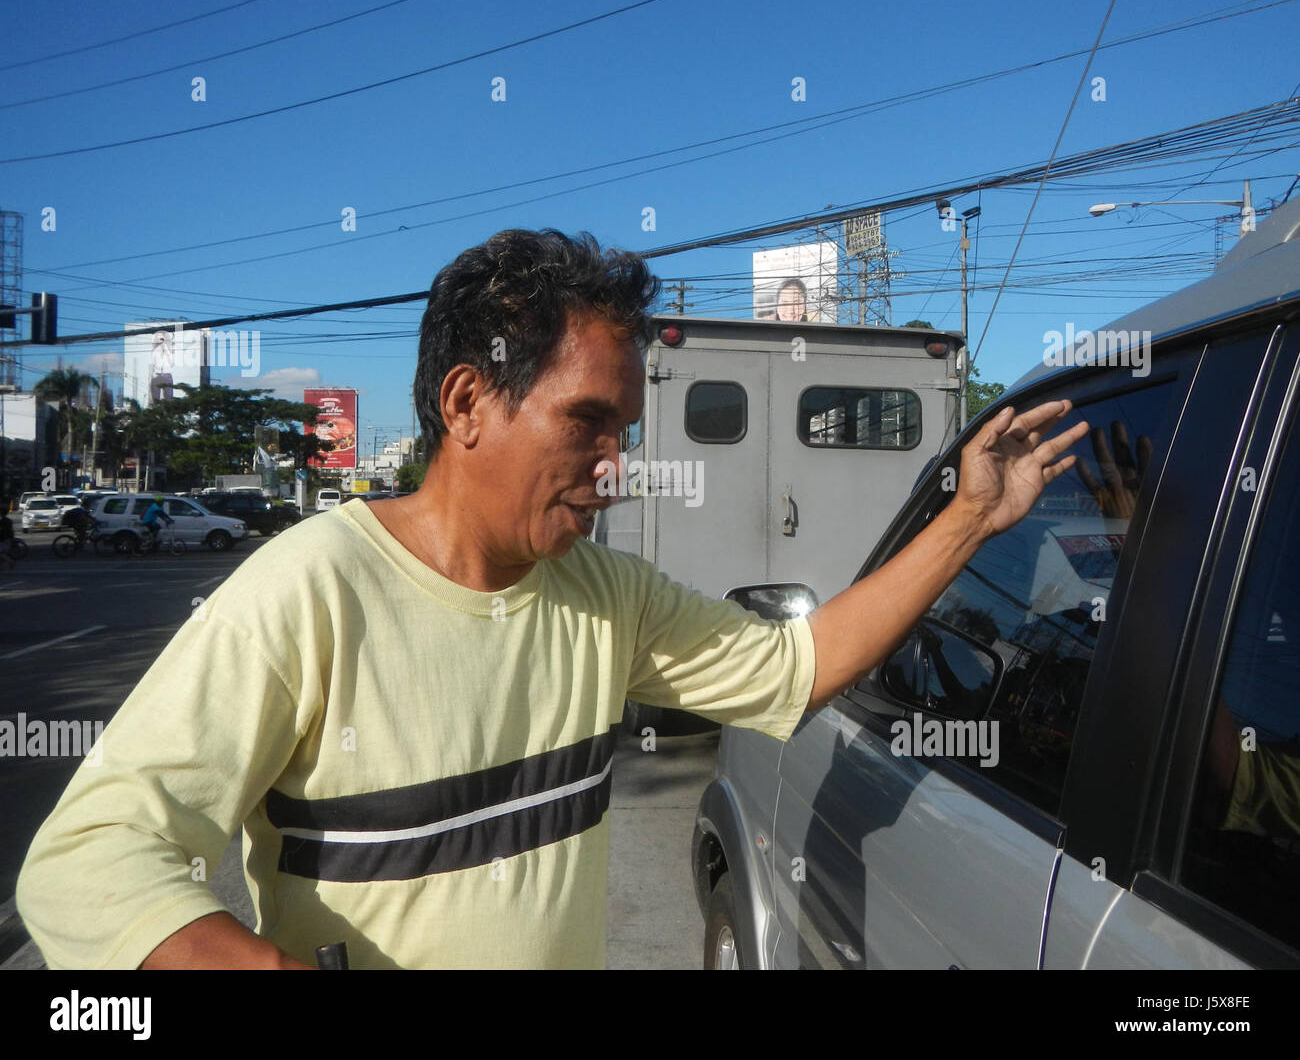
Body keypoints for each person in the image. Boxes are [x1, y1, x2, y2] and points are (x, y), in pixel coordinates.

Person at [16, 229, 1087, 970]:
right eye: (586, 424)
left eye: (623, 431)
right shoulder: (306, 593)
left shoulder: (604, 595)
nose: (613, 467)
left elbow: (792, 670)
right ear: (469, 400)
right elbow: (89, 861)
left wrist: (968, 520)